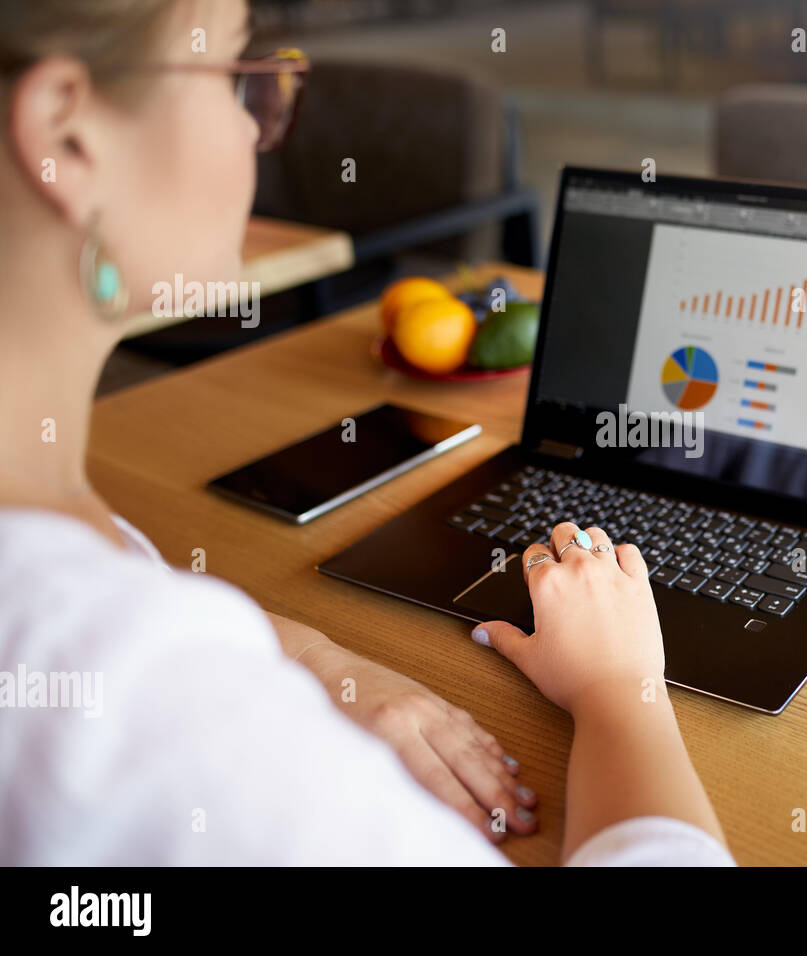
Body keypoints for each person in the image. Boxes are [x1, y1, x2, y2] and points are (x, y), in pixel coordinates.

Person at [0, 0, 733, 866]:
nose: (257, 134)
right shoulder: (169, 725)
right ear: (67, 134)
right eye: (240, 78)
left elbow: (124, 582)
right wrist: (621, 688)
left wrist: (313, 655)